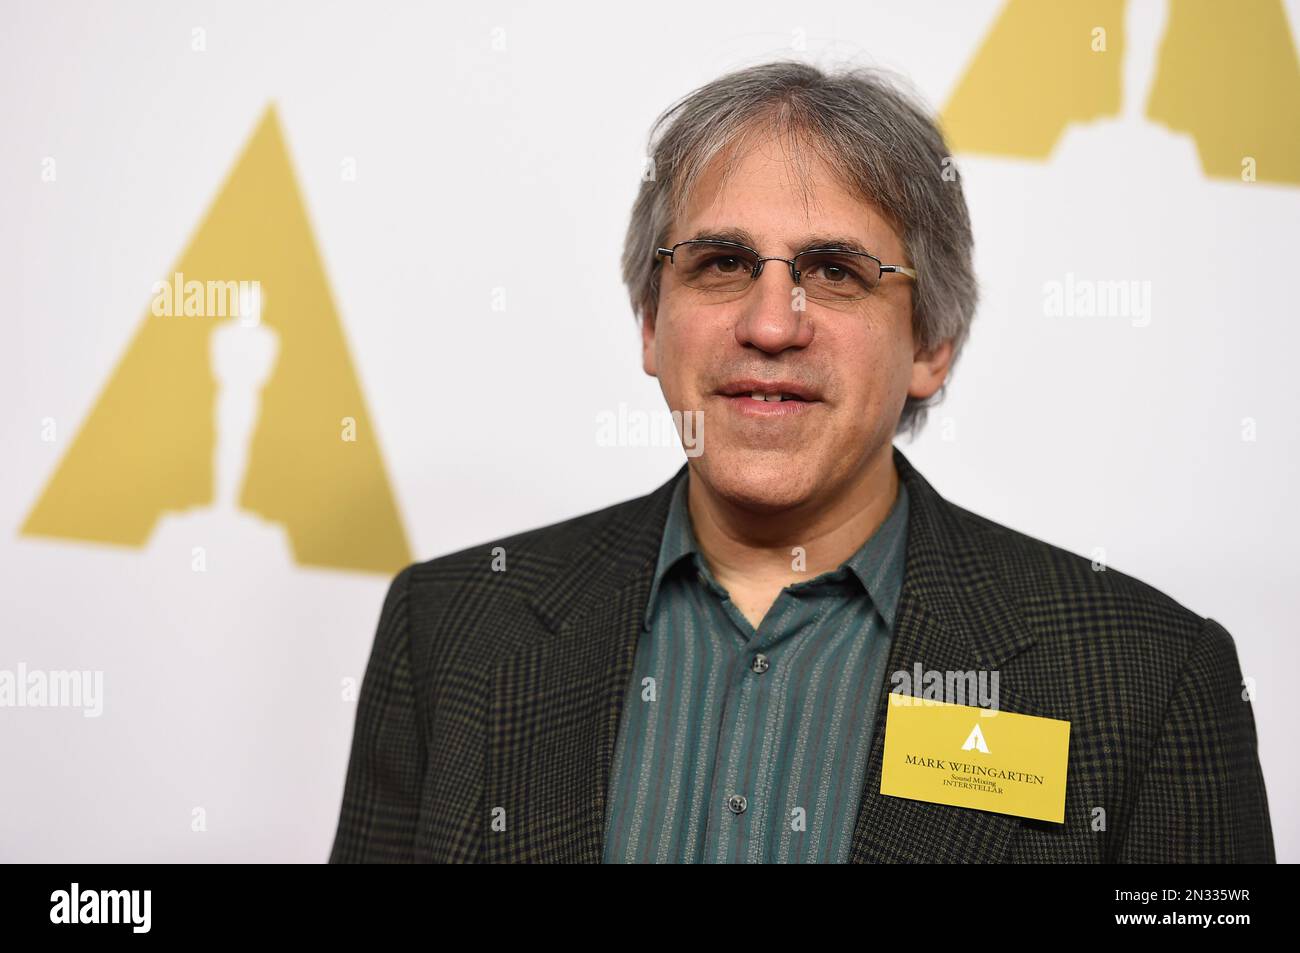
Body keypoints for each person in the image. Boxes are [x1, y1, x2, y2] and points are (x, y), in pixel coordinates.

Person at [328, 60, 1274, 863]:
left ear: (931, 342)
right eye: (721, 262)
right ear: (652, 323)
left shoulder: (1147, 682)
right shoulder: (451, 629)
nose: (771, 323)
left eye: (835, 270)